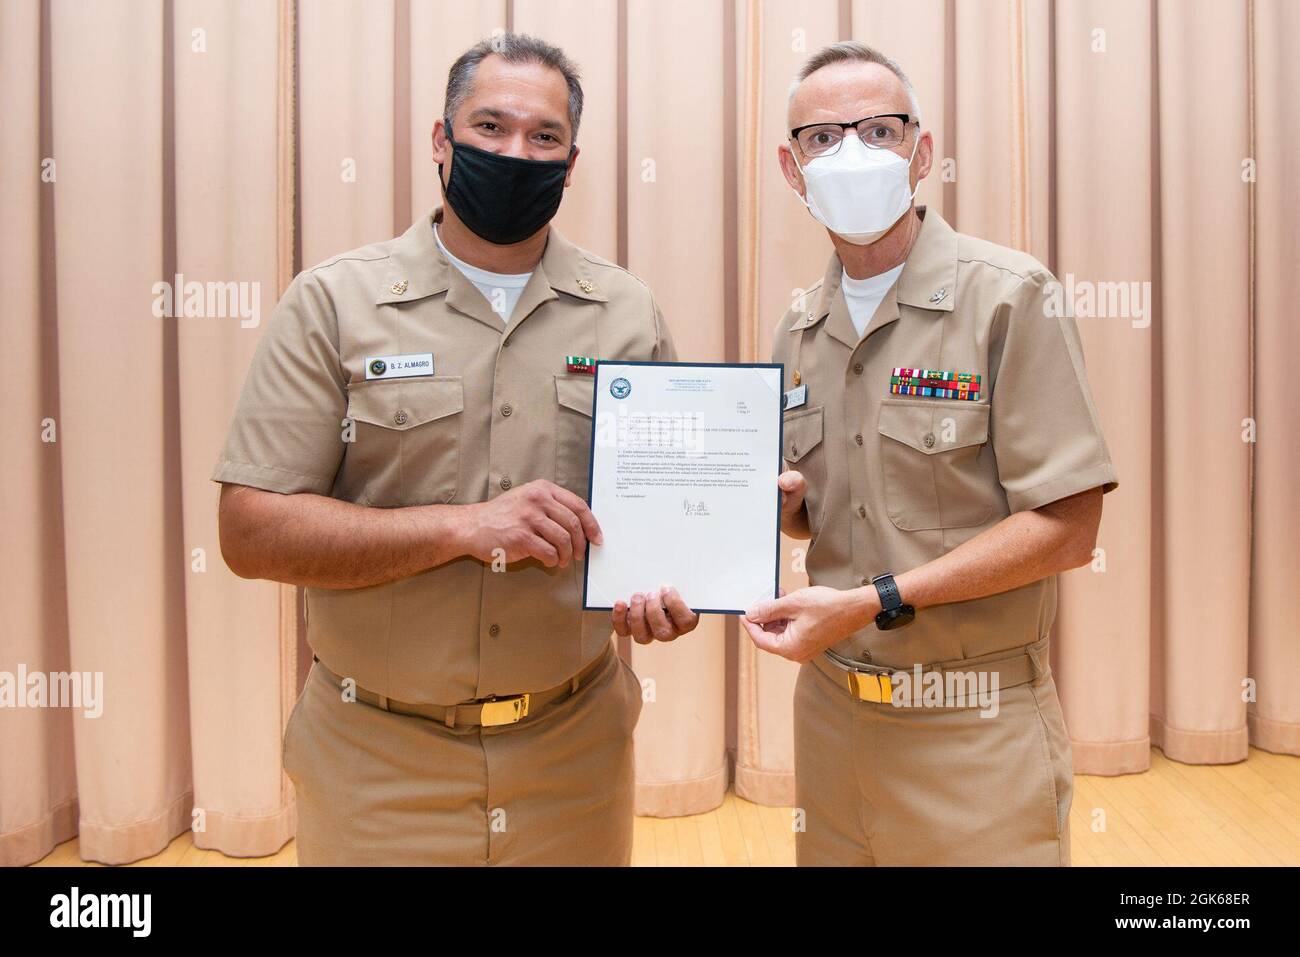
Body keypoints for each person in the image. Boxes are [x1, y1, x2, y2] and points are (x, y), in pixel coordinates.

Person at [212, 33, 697, 866]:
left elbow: (669, 518)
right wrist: (461, 527)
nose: (517, 152)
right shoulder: (335, 303)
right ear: (441, 141)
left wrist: (688, 578)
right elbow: (250, 533)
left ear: (571, 162)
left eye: (543, 137)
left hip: (573, 753)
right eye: (490, 126)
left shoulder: (625, 312)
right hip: (379, 760)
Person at [741, 41, 1118, 866]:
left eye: (877, 131)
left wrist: (874, 597)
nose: (851, 155)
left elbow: (1067, 527)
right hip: (834, 718)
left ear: (923, 152)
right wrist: (784, 506)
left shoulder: (1010, 296)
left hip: (972, 726)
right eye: (821, 139)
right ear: (789, 166)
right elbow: (823, 518)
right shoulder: (798, 328)